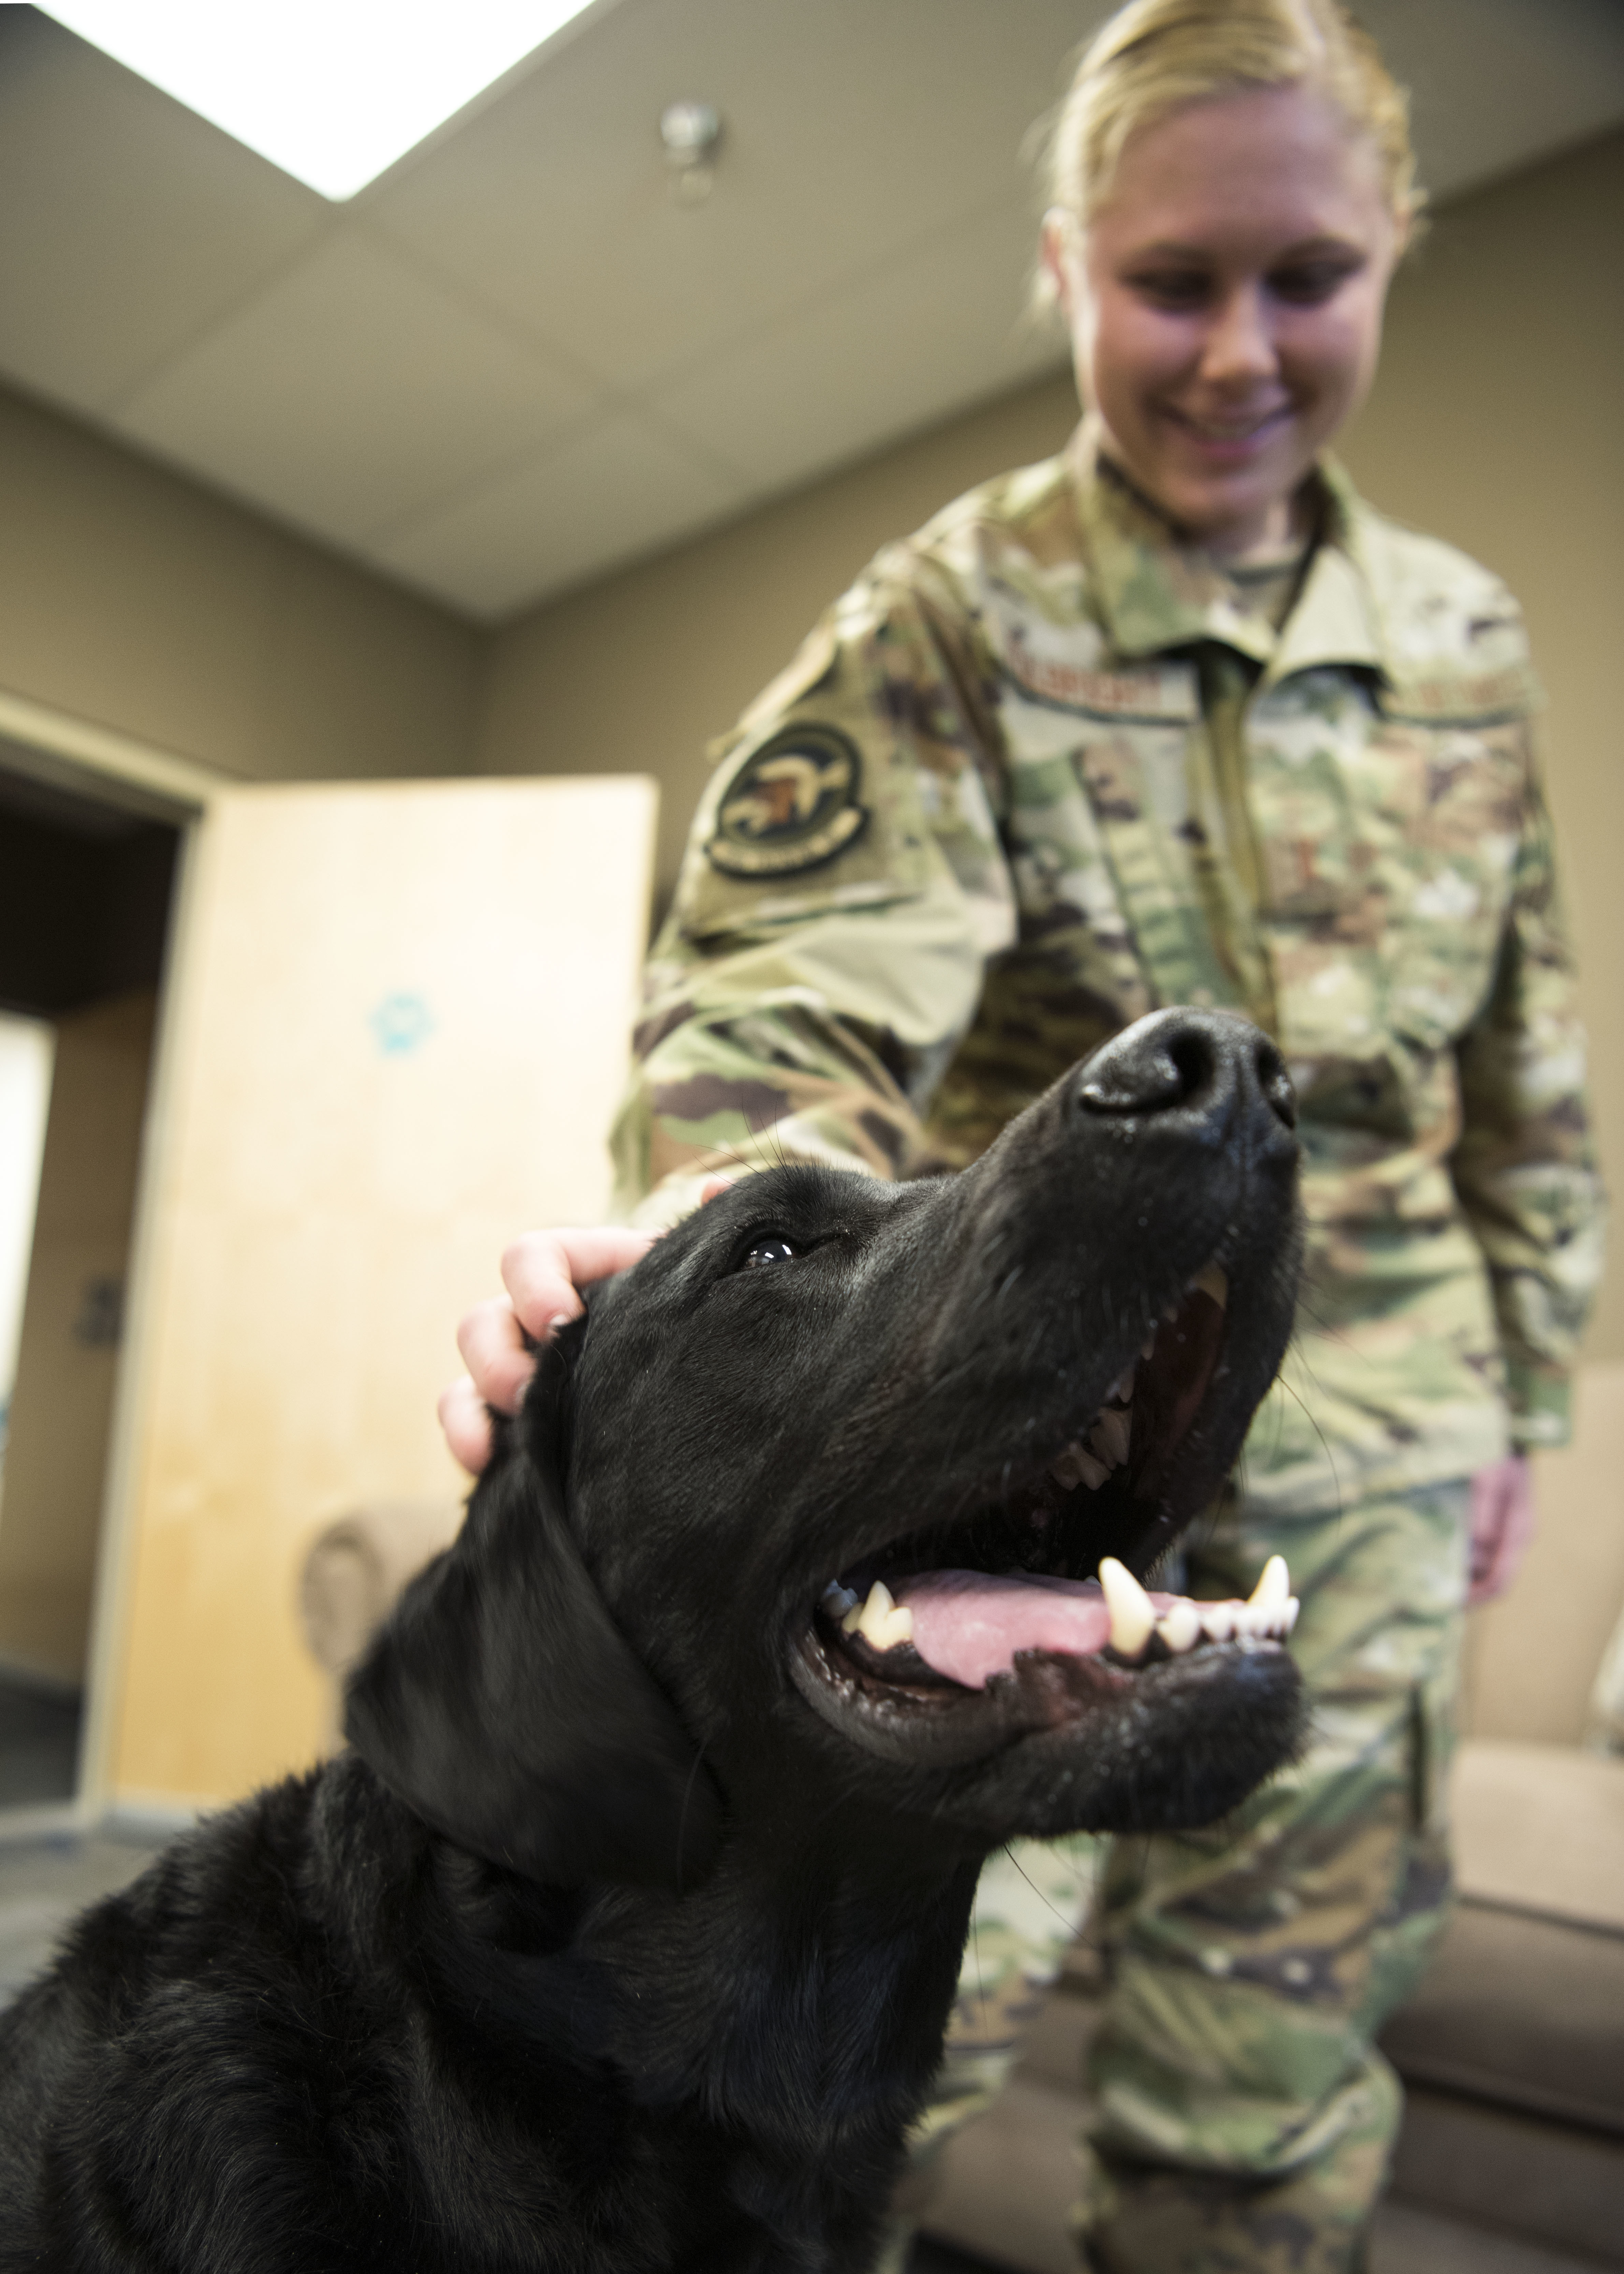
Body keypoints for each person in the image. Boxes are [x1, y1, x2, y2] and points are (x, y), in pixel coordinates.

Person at [441, 2, 1604, 2266]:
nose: (1242, 352)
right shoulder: (956, 624)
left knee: (1259, 2129)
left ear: (1393, 255)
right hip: (1011, 1481)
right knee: (821, 2078)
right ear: (1067, 268)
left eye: (1311, 279)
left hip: (1368, 1476)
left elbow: (1521, 1068)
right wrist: (713, 1233)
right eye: (1173, 283)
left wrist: (1525, 1407)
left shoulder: (1464, 637)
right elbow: (786, 993)